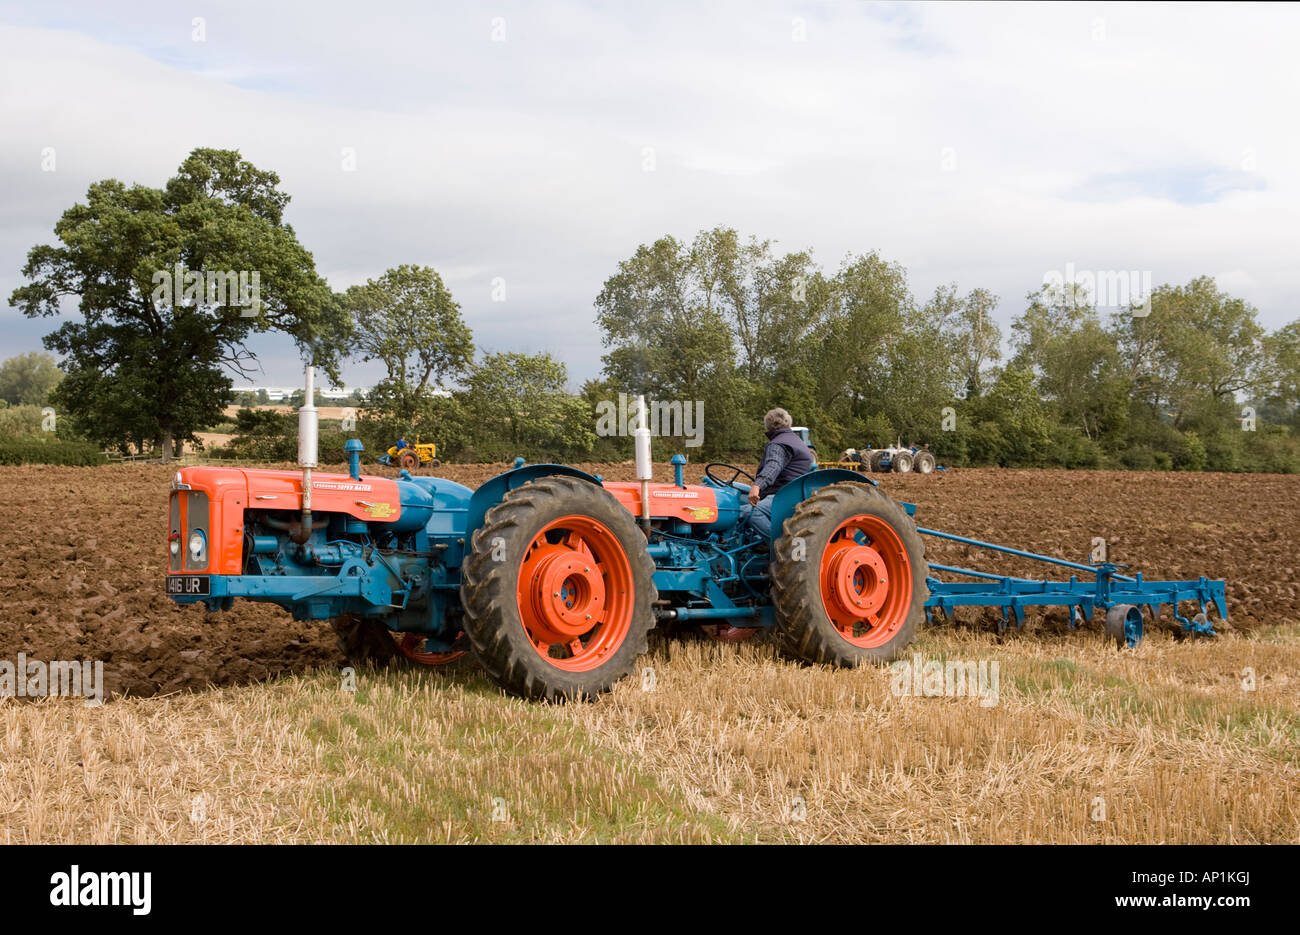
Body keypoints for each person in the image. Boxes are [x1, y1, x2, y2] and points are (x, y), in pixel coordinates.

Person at [741, 408, 815, 539]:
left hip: (784, 496)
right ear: (788, 423)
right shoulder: (797, 441)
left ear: (769, 426)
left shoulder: (778, 443)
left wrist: (757, 485)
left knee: (747, 511)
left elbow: (773, 465)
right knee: (739, 498)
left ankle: (779, 545)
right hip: (796, 494)